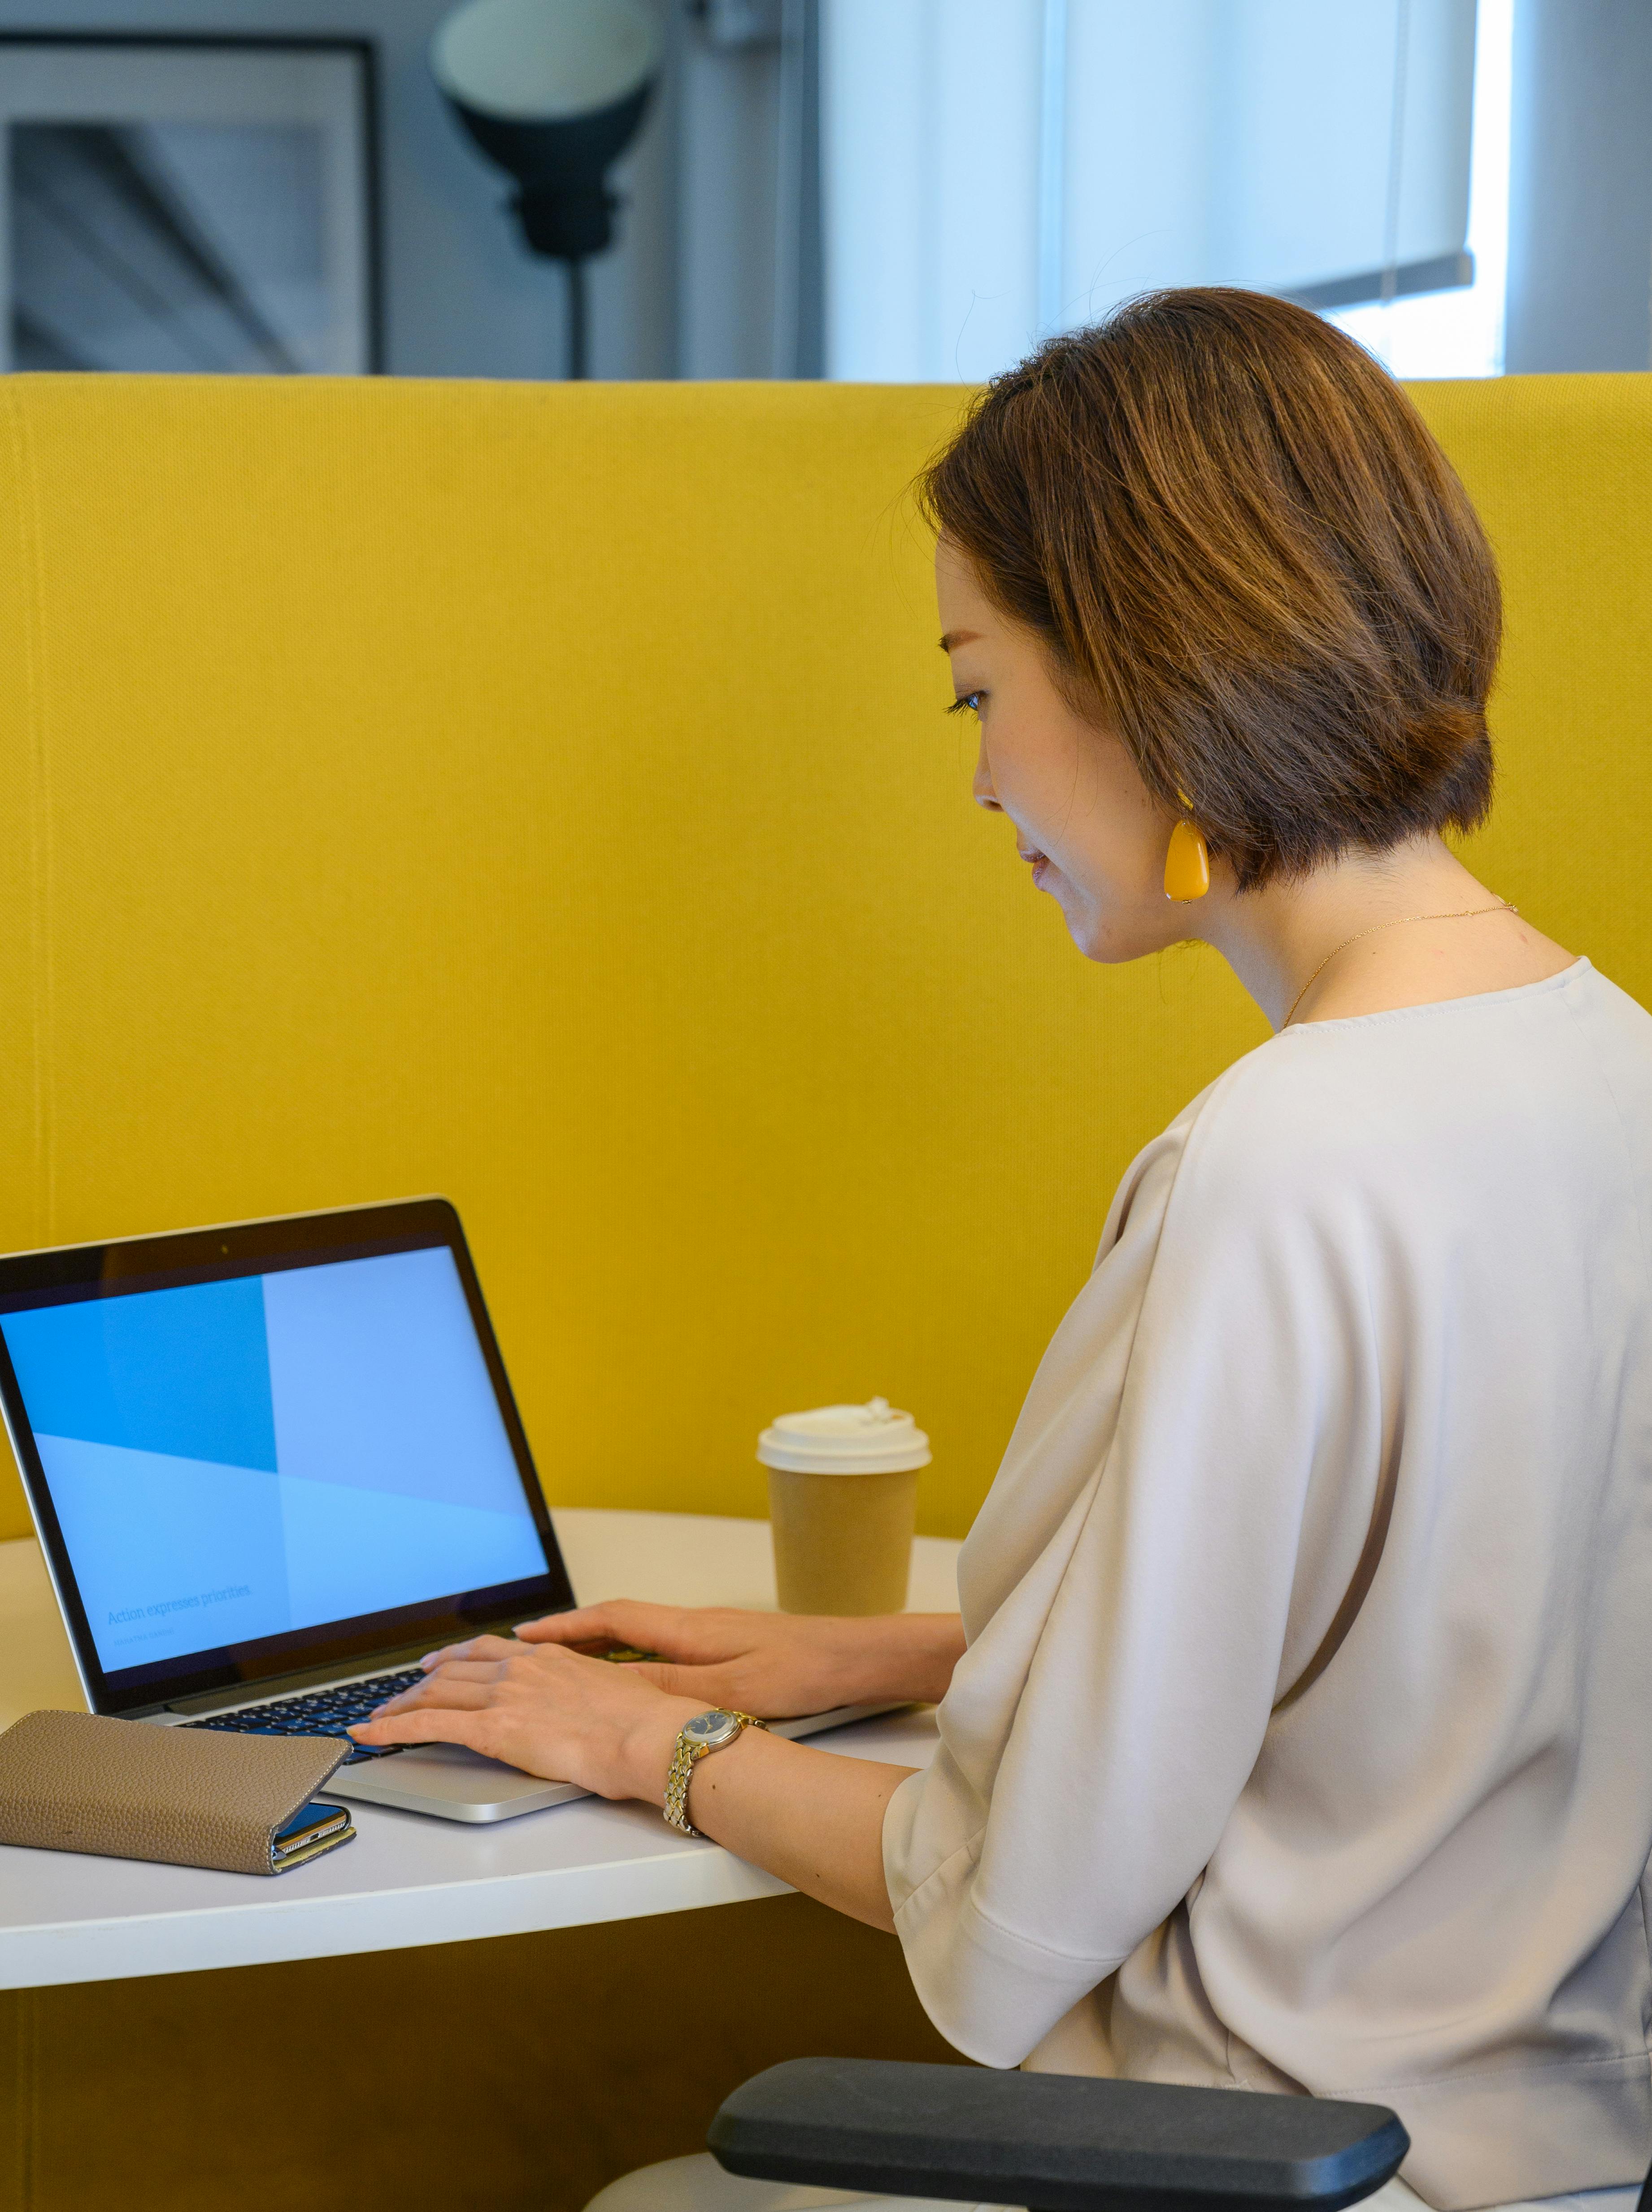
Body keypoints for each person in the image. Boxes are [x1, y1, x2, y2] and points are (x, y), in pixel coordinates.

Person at [351, 290, 1652, 2212]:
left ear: (1147, 660)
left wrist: (662, 1742)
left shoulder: (1276, 1163)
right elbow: (1415, 1638)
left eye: (978, 686)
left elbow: (1014, 1905)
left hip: (1258, 2169)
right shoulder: (1605, 1058)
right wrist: (898, 1651)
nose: (976, 777)